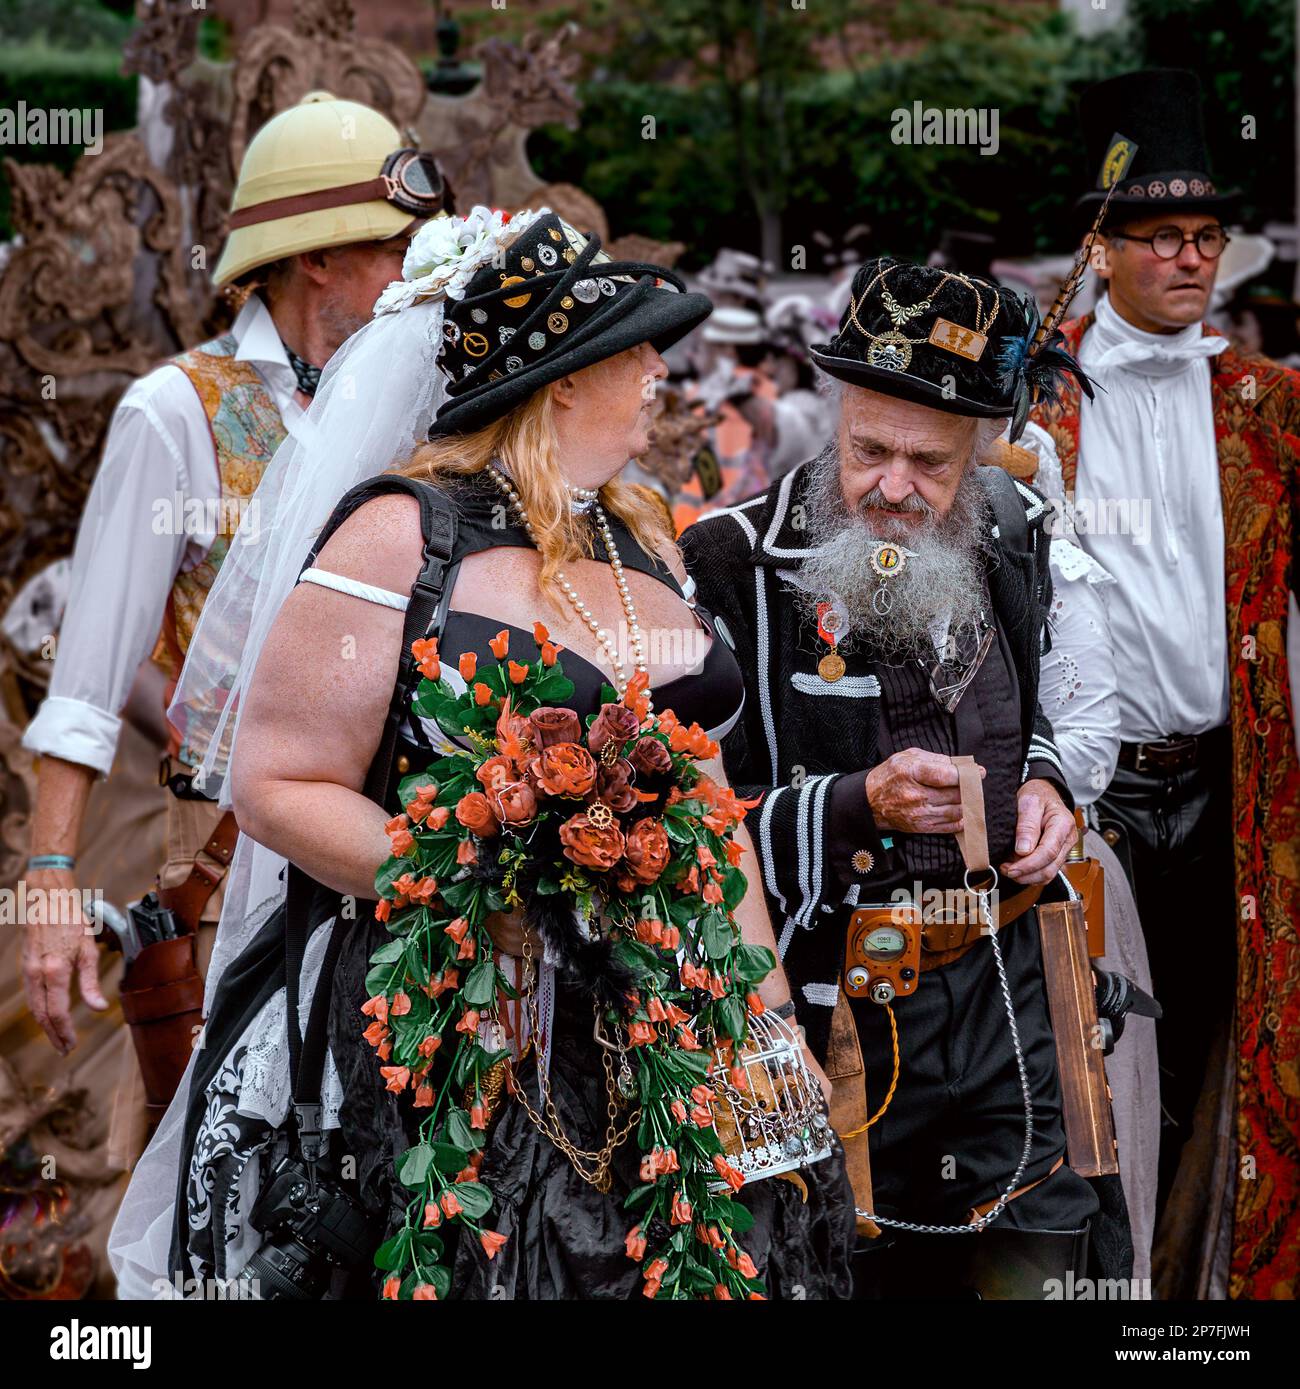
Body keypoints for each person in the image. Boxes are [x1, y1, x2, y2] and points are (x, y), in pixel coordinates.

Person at [110, 208, 855, 1299]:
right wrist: (480, 881)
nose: (660, 373)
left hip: (657, 1016)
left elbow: (705, 802)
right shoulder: (405, 536)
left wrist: (770, 1024)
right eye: (636, 350)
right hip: (455, 1017)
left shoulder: (639, 534)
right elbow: (275, 785)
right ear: (561, 380)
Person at [681, 258, 1118, 1298]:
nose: (891, 486)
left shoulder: (1013, 529)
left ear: (977, 453)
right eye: (867, 450)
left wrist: (1050, 786)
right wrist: (852, 803)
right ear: (832, 417)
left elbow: (1052, 704)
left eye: (928, 463)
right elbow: (698, 827)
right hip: (832, 998)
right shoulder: (726, 565)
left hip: (1019, 975)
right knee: (840, 1268)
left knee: (1050, 1259)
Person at [19, 86, 448, 1128]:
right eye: (396, 252)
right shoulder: (175, 412)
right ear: (316, 259)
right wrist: (48, 875)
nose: (417, 280)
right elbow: (86, 675)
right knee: (227, 1163)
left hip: (393, 840)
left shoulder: (425, 402)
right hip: (223, 846)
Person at [1029, 68, 1300, 1299]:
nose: (1192, 260)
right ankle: (1102, 1286)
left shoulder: (1266, 408)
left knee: (1220, 1054)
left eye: (1206, 236)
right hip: (1088, 794)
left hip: (1232, 788)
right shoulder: (1033, 400)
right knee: (1088, 1067)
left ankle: (1198, 1303)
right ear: (1105, 245)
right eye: (1163, 237)